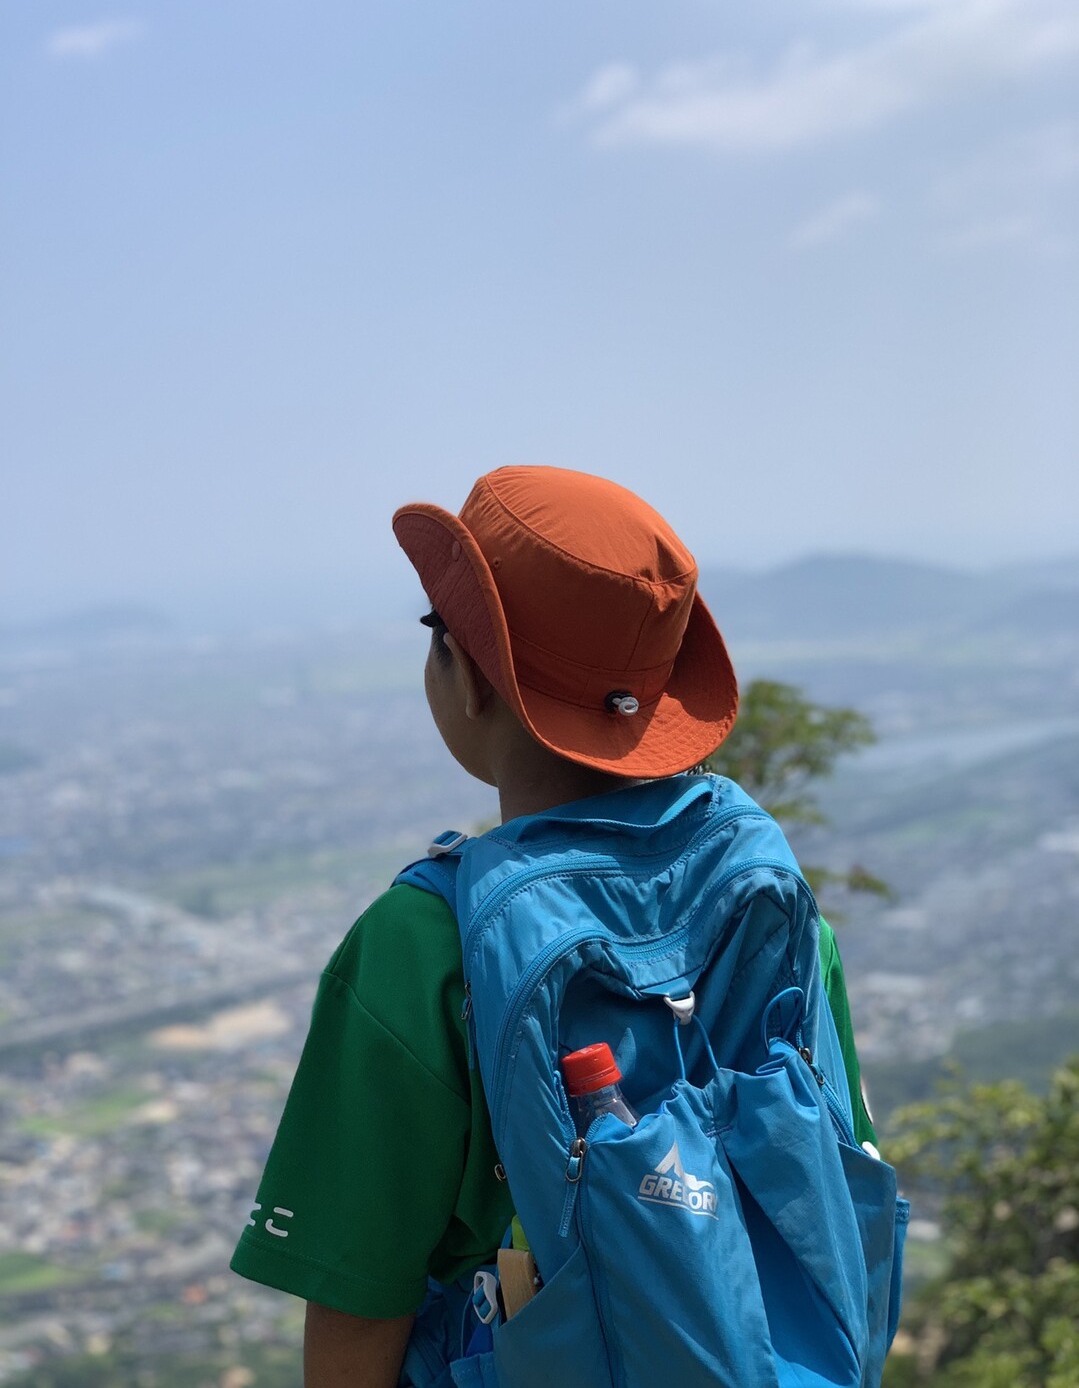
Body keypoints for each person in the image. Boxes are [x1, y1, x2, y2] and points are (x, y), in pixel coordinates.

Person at [230, 465, 876, 1387]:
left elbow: (357, 1300)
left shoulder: (421, 942)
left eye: (437, 633)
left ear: (470, 678)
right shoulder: (772, 904)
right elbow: (843, 1183)